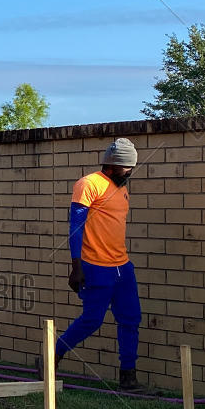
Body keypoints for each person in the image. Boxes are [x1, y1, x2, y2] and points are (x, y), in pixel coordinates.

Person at [54, 137, 144, 391]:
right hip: (95, 266)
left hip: (122, 267)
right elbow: (75, 226)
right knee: (92, 320)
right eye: (127, 168)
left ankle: (128, 377)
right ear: (112, 164)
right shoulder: (88, 184)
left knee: (131, 319)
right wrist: (76, 266)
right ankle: (52, 356)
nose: (130, 172)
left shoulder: (121, 188)